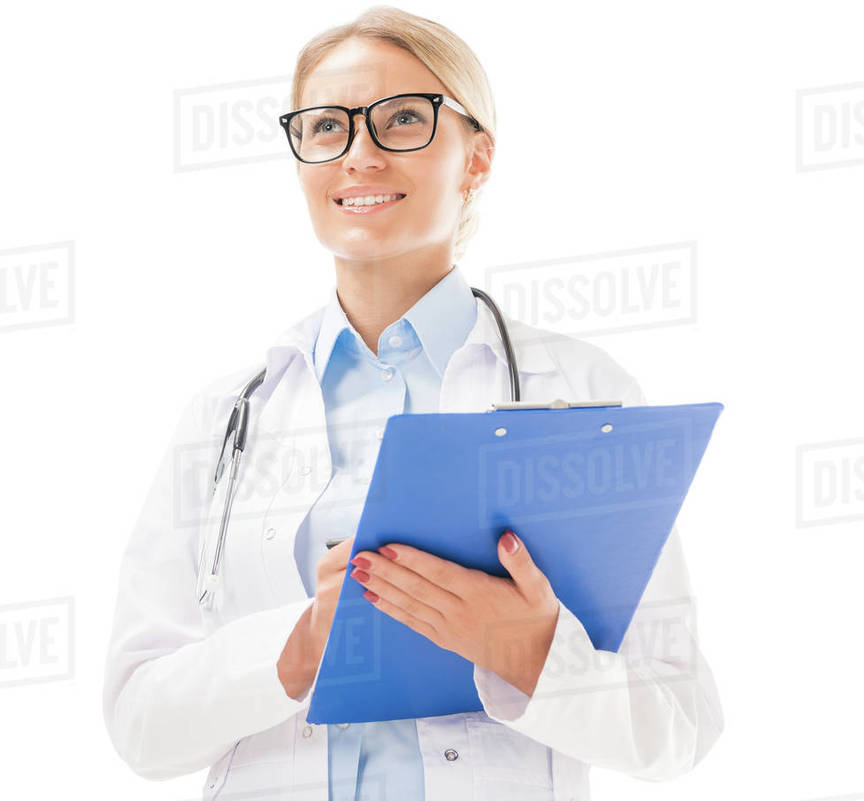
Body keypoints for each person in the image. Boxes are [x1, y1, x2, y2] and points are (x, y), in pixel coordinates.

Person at [103, 6, 723, 800]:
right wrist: (299, 643)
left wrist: (533, 651)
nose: (358, 154)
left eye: (402, 118)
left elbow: (680, 721)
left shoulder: (581, 391)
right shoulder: (230, 415)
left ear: (477, 156)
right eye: (326, 127)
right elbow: (138, 723)